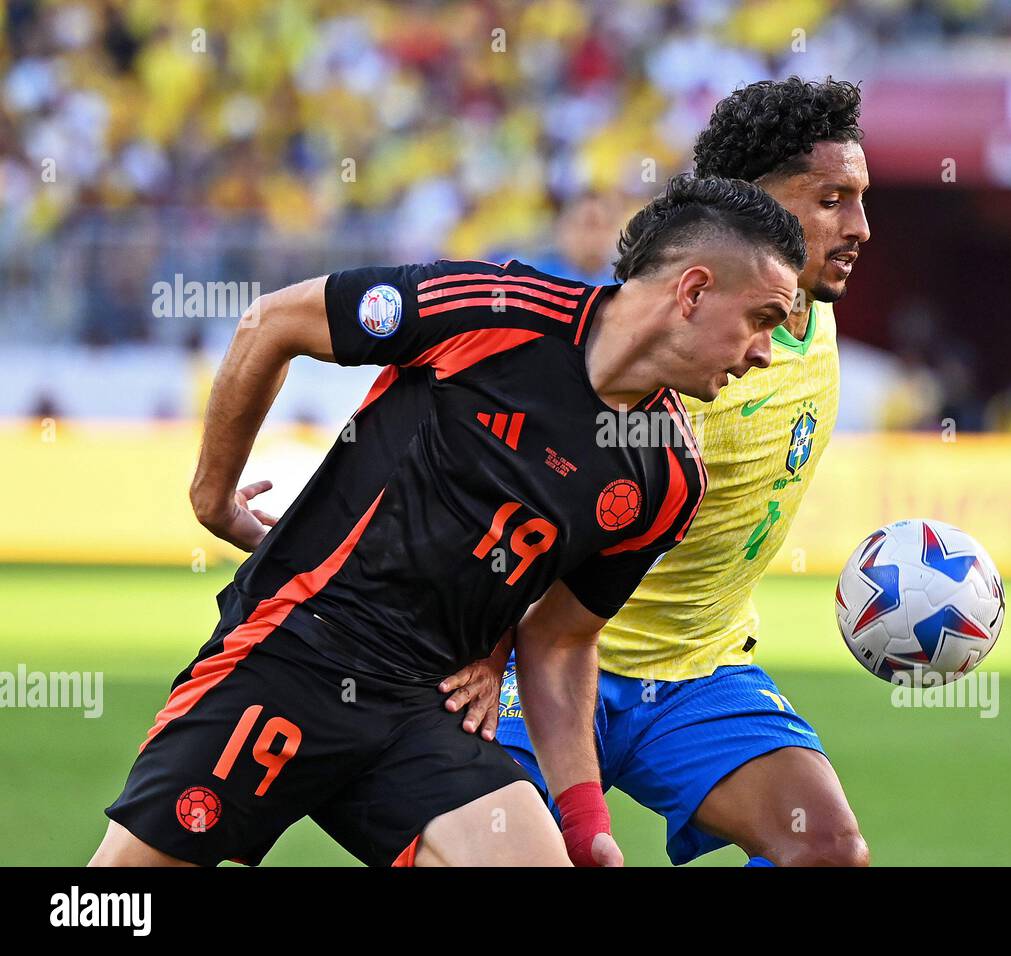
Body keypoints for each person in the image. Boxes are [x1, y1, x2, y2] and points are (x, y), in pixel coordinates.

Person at [88, 174, 805, 868]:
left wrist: (586, 824)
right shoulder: (495, 309)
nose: (765, 353)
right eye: (762, 319)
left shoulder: (669, 479)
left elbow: (560, 640)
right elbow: (272, 322)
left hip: (423, 708)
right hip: (293, 650)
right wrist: (213, 496)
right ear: (695, 291)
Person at [444, 77, 873, 866]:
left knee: (829, 852)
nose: (860, 227)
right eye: (832, 200)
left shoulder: (815, 307)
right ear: (756, 207)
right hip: (545, 662)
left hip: (698, 672)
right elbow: (508, 492)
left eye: (861, 198)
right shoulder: (656, 343)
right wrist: (488, 642)